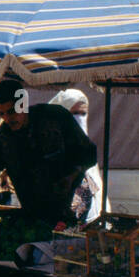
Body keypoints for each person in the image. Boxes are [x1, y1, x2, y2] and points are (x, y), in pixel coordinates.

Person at [0, 78, 98, 226]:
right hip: (36, 212)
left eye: (12, 111)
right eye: (2, 114)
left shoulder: (55, 117)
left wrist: (69, 178)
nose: (7, 119)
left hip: (73, 204)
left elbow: (89, 154)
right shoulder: (4, 137)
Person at [48, 89, 105, 223]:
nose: (79, 118)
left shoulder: (86, 147)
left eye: (83, 114)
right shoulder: (50, 147)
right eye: (74, 113)